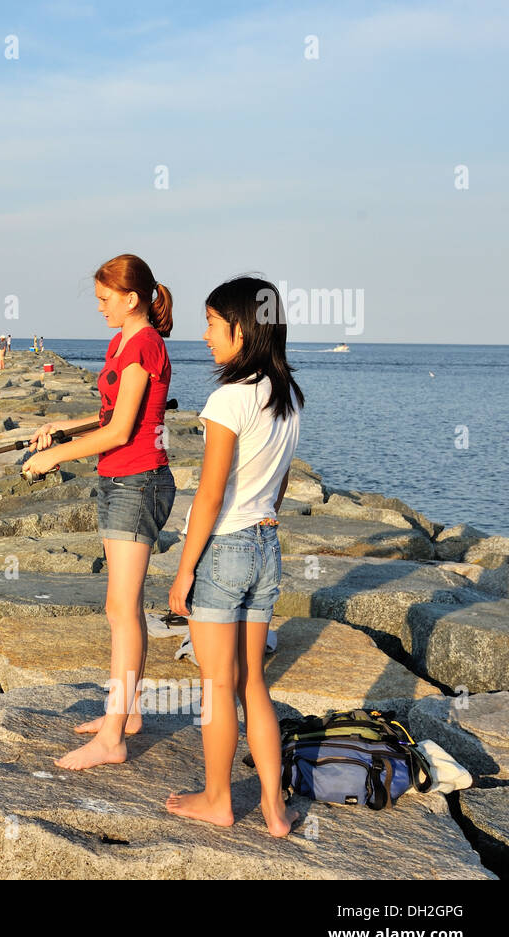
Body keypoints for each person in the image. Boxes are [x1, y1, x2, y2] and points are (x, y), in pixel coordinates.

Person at [22, 253, 175, 770]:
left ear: (132, 299)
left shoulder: (146, 345)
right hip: (117, 479)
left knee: (120, 610)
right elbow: (109, 414)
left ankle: (113, 738)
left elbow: (121, 432)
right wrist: (65, 428)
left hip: (139, 481)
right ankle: (126, 715)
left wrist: (52, 458)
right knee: (124, 610)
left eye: (105, 299)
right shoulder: (122, 342)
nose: (100, 308)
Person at [166, 276, 304, 837]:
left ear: (241, 328)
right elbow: (282, 481)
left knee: (217, 684)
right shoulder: (288, 397)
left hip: (225, 549)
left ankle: (219, 799)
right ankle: (274, 809)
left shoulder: (228, 398)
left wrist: (183, 570)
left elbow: (210, 492)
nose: (204, 335)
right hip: (268, 544)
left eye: (212, 324)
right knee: (254, 685)